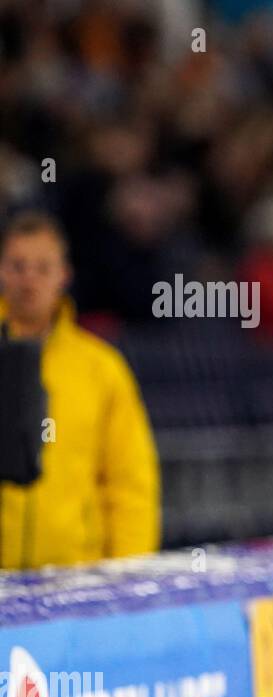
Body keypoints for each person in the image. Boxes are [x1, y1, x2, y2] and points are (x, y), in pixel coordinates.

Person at [0, 210, 160, 569]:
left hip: (74, 580)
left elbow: (129, 481)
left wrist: (129, 574)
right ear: (1, 270)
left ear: (64, 275)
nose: (29, 280)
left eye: (42, 268)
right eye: (18, 266)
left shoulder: (101, 369)